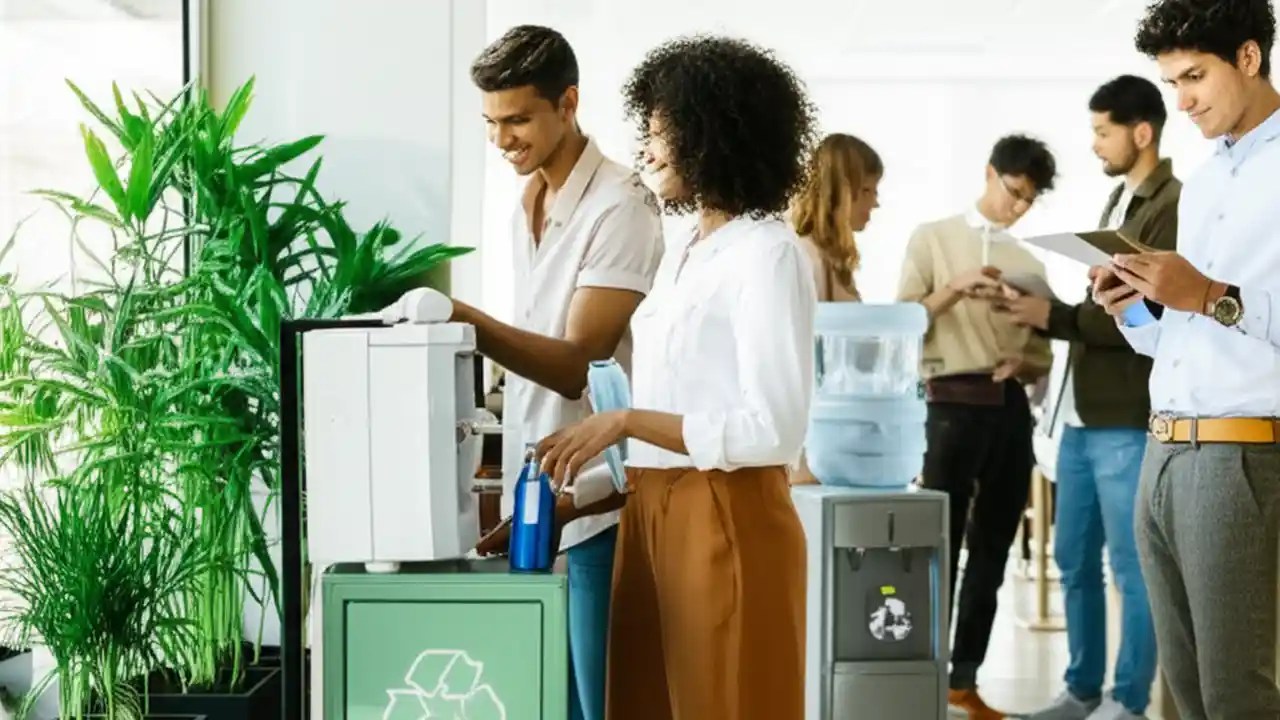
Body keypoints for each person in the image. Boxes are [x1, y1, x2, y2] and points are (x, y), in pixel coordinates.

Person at [536, 34, 819, 720]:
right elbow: (679, 409)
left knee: (723, 700)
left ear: (713, 136)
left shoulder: (767, 254)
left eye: (663, 133)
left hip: (726, 518)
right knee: (647, 702)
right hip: (652, 511)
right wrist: (579, 498)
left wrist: (627, 421)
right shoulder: (688, 250)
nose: (649, 150)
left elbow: (772, 431)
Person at [462, 25, 664, 720]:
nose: (501, 140)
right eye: (491, 123)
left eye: (517, 119)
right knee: (552, 702)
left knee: (599, 704)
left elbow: (578, 363)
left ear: (568, 102)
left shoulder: (622, 204)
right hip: (543, 493)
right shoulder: (529, 204)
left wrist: (466, 320)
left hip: (598, 501)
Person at [1093, 1, 1280, 717]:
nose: (1184, 100)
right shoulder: (1204, 184)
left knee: (1237, 694)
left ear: (1250, 57)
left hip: (1239, 458)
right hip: (1163, 450)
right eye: (1172, 83)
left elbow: (1217, 305)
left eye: (1195, 76)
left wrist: (1205, 293)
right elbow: (1183, 338)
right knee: (1187, 692)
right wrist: (1135, 305)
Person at [1004, 76, 1179, 720]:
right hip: (1079, 416)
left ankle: (1128, 701)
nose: (1095, 144)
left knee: (1131, 570)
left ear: (1142, 132)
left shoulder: (1171, 203)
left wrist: (1047, 314)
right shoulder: (1117, 200)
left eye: (1103, 131)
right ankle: (1081, 689)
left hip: (1124, 418)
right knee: (1073, 556)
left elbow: (1137, 314)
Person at [896, 134, 1057, 720]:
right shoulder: (933, 238)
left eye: (1028, 201)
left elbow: (1044, 353)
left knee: (992, 551)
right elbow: (904, 321)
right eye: (1014, 193)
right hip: (948, 407)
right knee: (934, 548)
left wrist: (1027, 360)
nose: (1018, 207)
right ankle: (917, 677)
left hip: (1009, 410)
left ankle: (963, 681)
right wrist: (956, 287)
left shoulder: (1029, 262)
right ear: (990, 174)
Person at [791, 133, 883, 301]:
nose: (875, 203)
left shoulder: (835, 260)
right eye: (866, 190)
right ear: (838, 193)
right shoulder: (807, 260)